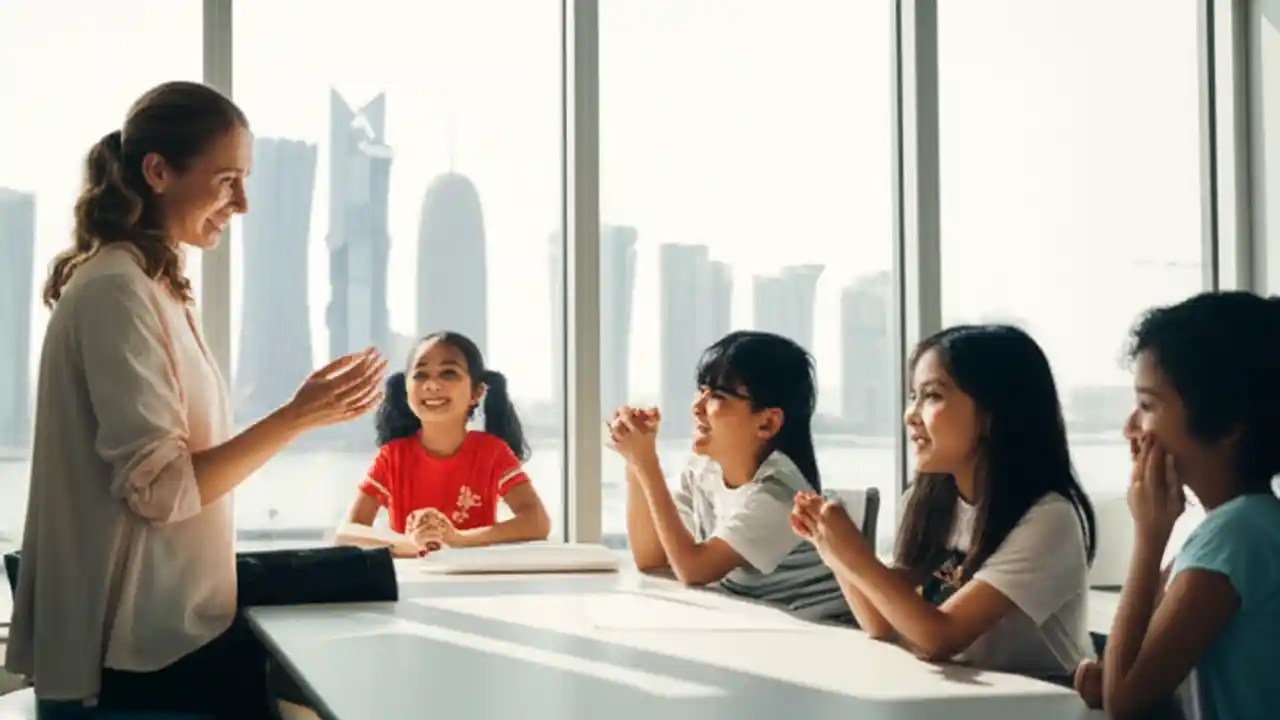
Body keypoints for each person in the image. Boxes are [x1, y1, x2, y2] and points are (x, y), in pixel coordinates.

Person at [3, 81, 386, 719]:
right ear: (158, 171)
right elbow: (161, 490)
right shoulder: (117, 292)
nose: (242, 203)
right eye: (228, 179)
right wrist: (296, 417)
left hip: (171, 631)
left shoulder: (156, 289)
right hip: (135, 655)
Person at [792, 325, 1096, 679]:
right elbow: (881, 623)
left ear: (991, 415)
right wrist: (834, 551)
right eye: (912, 396)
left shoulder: (1048, 519)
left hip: (1045, 705)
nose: (911, 414)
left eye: (932, 396)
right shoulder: (927, 501)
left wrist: (855, 556)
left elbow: (940, 637)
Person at [1073, 292, 1280, 719]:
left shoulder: (1233, 537)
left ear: (1226, 426)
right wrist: (1113, 675)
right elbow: (1133, 670)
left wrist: (1149, 539)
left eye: (1147, 405)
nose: (1131, 426)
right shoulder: (1244, 526)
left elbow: (1125, 703)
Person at [608, 330, 850, 622]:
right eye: (702, 390)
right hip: (756, 623)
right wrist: (635, 463)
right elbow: (651, 559)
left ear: (767, 422)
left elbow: (693, 570)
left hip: (820, 634)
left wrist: (647, 463)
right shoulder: (703, 473)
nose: (697, 407)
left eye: (718, 396)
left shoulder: (781, 496)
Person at [345, 331, 550, 554]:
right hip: (410, 579)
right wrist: (410, 544)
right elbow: (349, 532)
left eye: (449, 373)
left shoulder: (492, 452)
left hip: (477, 577)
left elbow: (537, 522)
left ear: (476, 392)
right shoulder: (392, 457)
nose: (432, 384)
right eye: (420, 374)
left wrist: (458, 538)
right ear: (406, 389)